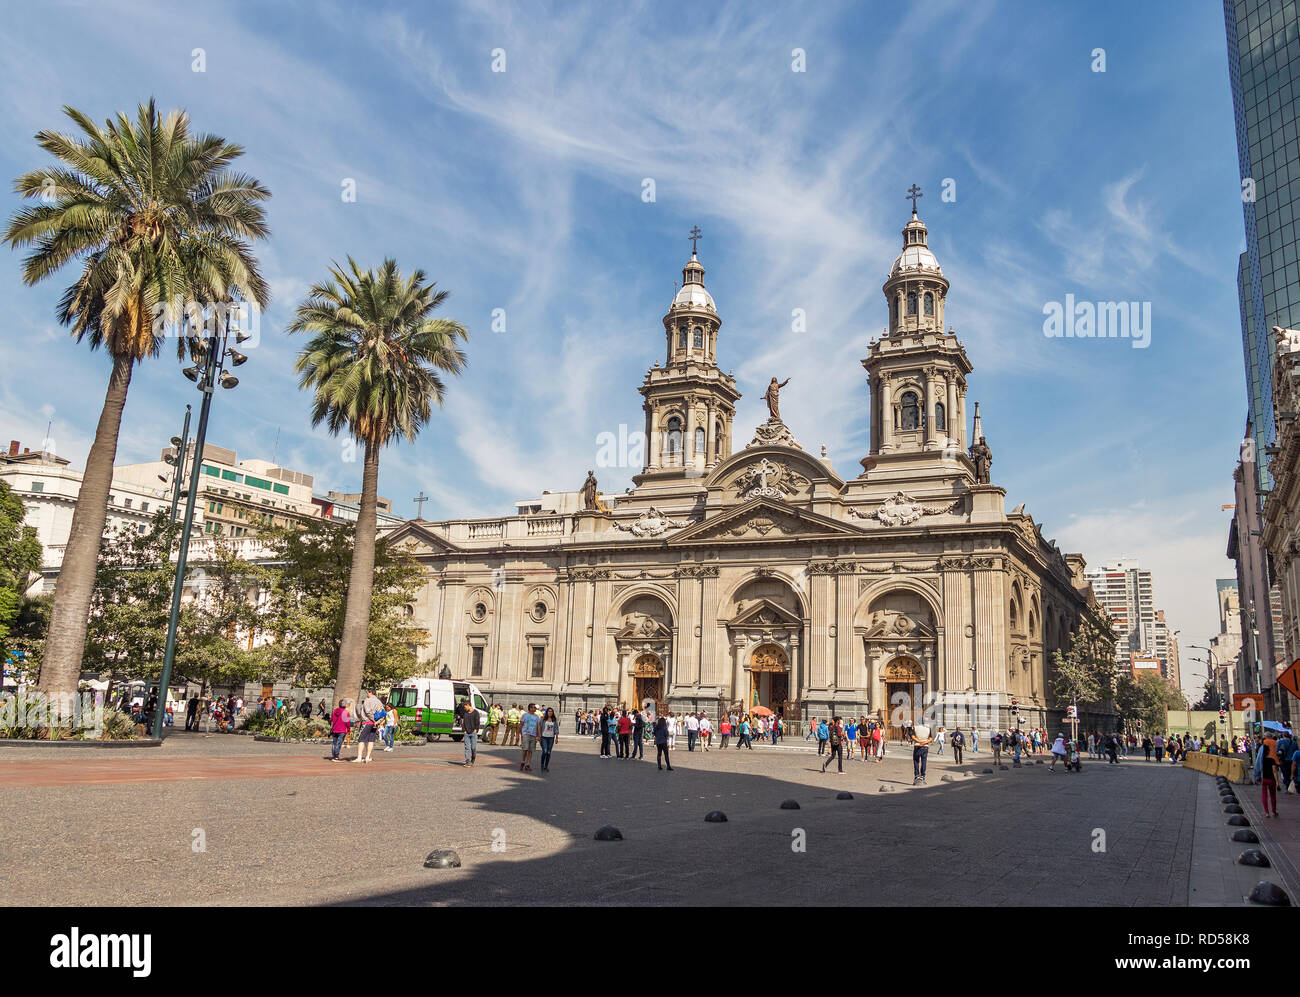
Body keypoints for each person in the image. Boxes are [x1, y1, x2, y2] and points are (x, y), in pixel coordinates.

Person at [352, 688, 382, 763]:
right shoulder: (379, 702)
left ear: (370, 692)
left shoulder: (367, 700)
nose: (366, 694)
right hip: (375, 724)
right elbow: (382, 713)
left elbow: (368, 712)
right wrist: (377, 722)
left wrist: (373, 720)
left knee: (361, 740)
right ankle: (368, 757)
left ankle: (359, 757)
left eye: (367, 693)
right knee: (371, 740)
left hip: (367, 722)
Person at [911, 721, 934, 785]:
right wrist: (924, 742)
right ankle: (923, 776)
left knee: (916, 761)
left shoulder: (915, 727)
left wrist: (919, 741)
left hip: (917, 746)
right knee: (924, 762)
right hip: (925, 746)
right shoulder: (928, 728)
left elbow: (913, 737)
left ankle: (917, 775)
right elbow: (931, 738)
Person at [519, 703, 541, 771]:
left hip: (533, 735)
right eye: (534, 707)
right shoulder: (525, 715)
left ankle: (528, 764)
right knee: (525, 749)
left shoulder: (537, 717)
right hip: (525, 734)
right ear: (530, 708)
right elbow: (520, 725)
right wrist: (518, 734)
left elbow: (538, 726)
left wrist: (539, 735)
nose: (535, 709)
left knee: (530, 750)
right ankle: (523, 762)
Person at [460, 697, 480, 766]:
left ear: (468, 705)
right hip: (466, 733)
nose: (464, 709)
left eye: (465, 707)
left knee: (473, 748)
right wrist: (464, 730)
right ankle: (467, 761)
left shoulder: (476, 713)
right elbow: (463, 722)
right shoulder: (465, 713)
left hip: (473, 733)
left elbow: (477, 722)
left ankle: (473, 759)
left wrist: (475, 730)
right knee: (467, 748)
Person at [1261, 745, 1280, 817]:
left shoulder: (1262, 760)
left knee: (1264, 796)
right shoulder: (1272, 760)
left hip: (1264, 779)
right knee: (1273, 796)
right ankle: (1274, 811)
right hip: (1271, 780)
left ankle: (1266, 812)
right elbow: (1274, 771)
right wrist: (1277, 782)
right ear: (1268, 751)